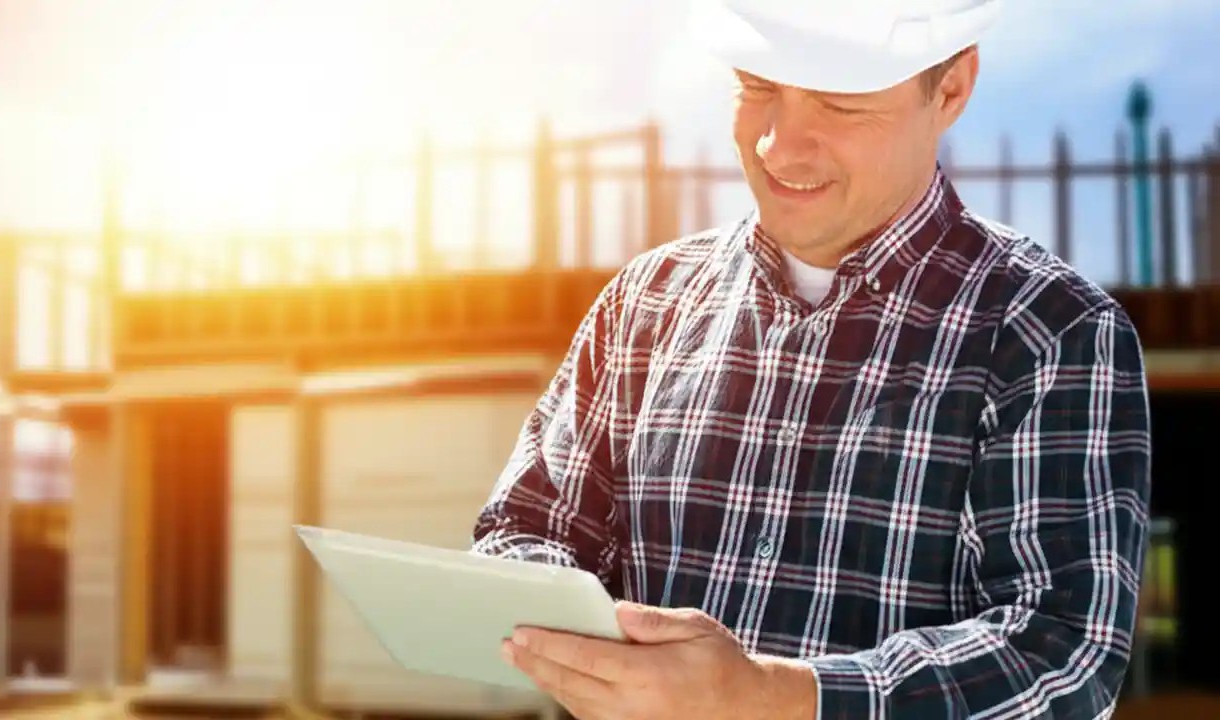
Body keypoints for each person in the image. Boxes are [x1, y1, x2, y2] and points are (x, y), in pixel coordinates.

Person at [471, 1, 1152, 718]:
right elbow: (525, 529)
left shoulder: (1049, 332)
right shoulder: (645, 303)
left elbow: (1061, 655)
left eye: (840, 100)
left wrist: (770, 699)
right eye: (757, 86)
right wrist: (589, 639)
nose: (778, 146)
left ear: (949, 88)